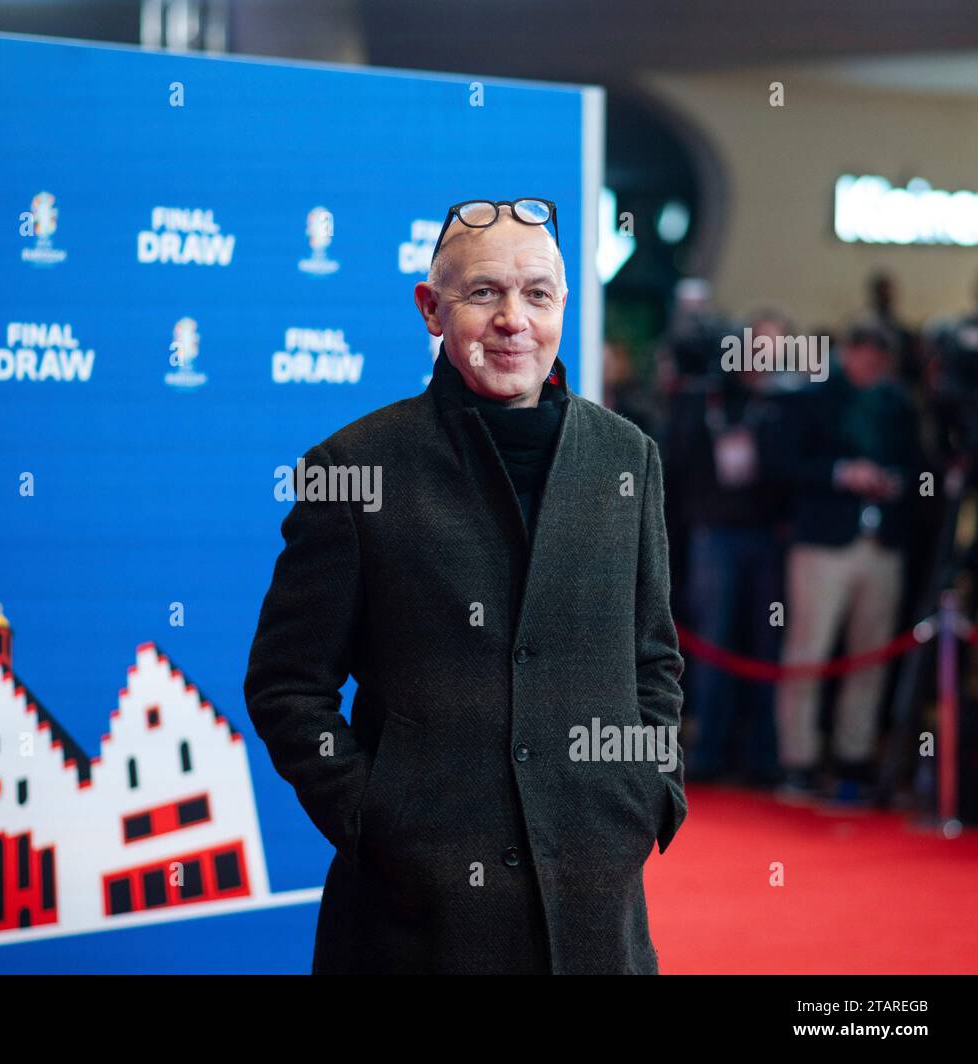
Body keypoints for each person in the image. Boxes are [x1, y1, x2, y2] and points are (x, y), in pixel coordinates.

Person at [243, 198, 687, 975]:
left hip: (593, 910)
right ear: (432, 309)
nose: (514, 319)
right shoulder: (355, 467)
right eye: (484, 293)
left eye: (537, 294)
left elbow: (654, 660)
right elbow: (287, 685)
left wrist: (647, 793)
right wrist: (375, 818)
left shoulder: (628, 458)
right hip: (413, 922)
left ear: (562, 306)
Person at [769, 322, 923, 803]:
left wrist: (899, 483)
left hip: (882, 545)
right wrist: (841, 473)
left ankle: (853, 758)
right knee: (808, 653)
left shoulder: (899, 407)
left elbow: (923, 468)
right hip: (823, 544)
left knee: (869, 658)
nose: (871, 361)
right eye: (863, 351)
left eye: (881, 354)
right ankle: (798, 761)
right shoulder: (812, 399)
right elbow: (781, 463)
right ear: (847, 353)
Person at [663, 310, 789, 787]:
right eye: (757, 346)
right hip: (712, 535)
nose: (764, 357)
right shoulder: (704, 398)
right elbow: (675, 463)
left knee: (765, 647)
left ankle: (763, 756)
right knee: (713, 644)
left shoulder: (788, 403)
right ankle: (709, 752)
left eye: (774, 348)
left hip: (769, 538)